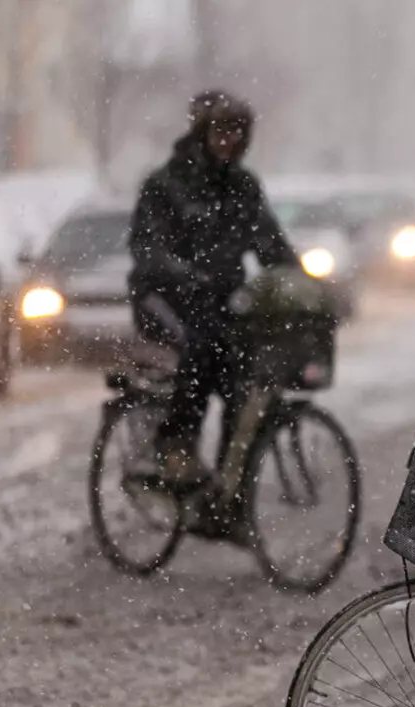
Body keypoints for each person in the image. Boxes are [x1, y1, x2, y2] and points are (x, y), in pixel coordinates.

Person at [128, 88, 298, 487]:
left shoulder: (243, 187)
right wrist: (184, 273)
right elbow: (146, 247)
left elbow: (271, 242)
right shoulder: (166, 184)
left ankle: (226, 487)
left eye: (238, 132)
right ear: (201, 133)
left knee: (241, 387)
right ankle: (175, 446)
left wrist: (301, 280)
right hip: (162, 298)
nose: (229, 141)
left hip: (219, 303)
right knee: (198, 349)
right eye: (220, 132)